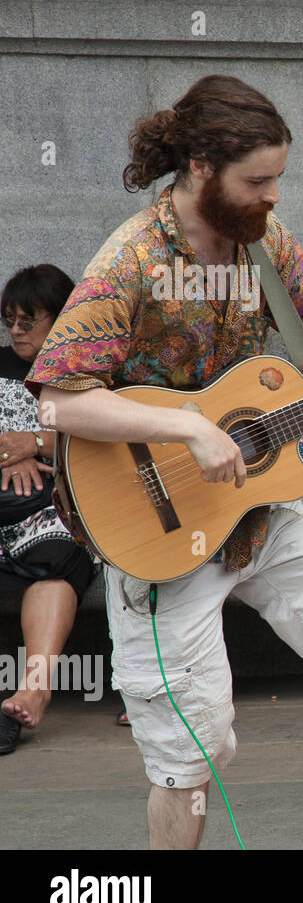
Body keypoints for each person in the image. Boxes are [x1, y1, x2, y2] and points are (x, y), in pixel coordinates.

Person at [28, 75, 303, 848]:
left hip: (259, 509)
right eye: (257, 181)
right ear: (201, 164)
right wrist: (188, 433)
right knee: (188, 758)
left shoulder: (267, 244)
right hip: (153, 529)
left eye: (278, 180)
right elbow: (60, 401)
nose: (272, 196)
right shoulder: (132, 258)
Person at [0, 265, 98, 755]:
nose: (15, 330)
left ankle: (34, 688)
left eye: (28, 320)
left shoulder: (87, 377)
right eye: (10, 320)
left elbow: (115, 439)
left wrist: (36, 444)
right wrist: (6, 454)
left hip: (52, 511)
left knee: (56, 560)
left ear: (60, 321)